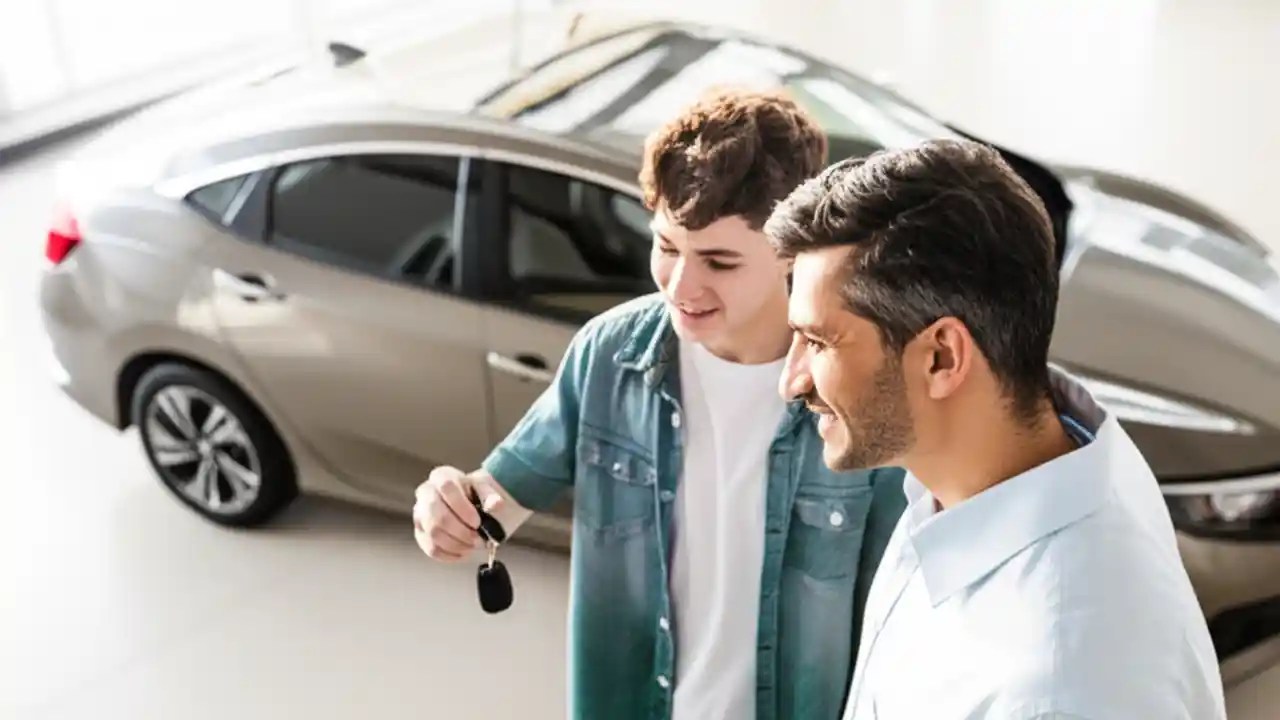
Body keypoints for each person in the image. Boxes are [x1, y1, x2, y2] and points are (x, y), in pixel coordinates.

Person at [411, 89, 907, 720]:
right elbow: (494, 504)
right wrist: (450, 508)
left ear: (792, 254)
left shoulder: (862, 387)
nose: (680, 286)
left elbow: (902, 609)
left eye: (718, 262)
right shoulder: (607, 354)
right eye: (667, 247)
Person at [767, 139, 1227, 719]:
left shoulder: (1061, 687)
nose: (792, 381)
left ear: (941, 357)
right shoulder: (979, 480)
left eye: (817, 341)